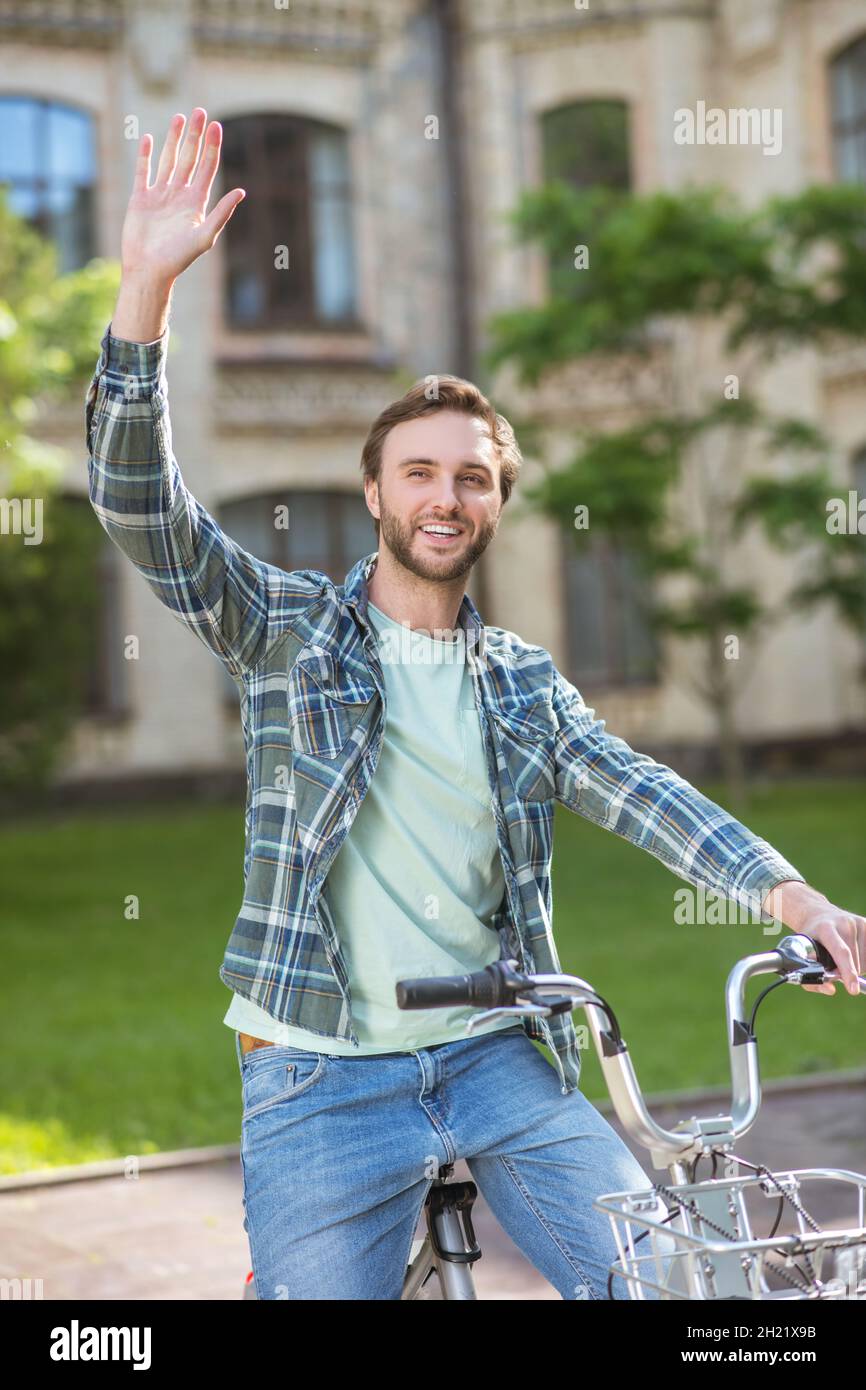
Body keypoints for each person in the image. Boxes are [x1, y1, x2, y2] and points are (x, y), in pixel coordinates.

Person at [86, 108, 864, 1300]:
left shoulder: (521, 683)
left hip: (497, 1055)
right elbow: (145, 508)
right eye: (419, 472)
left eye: (471, 477)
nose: (443, 497)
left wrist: (792, 893)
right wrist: (145, 289)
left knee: (666, 1287)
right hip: (316, 1068)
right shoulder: (289, 629)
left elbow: (643, 791)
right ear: (376, 490)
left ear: (494, 503)